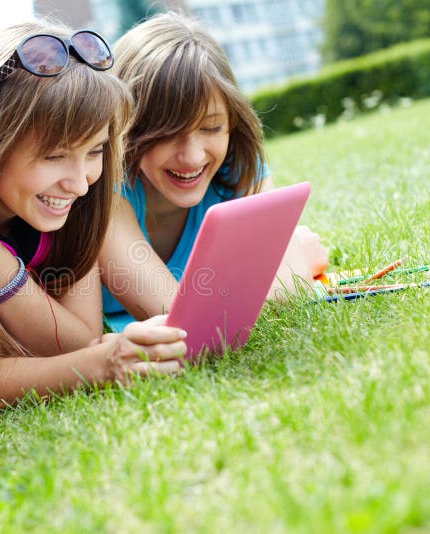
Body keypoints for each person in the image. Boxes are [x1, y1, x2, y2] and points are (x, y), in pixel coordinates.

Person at [0, 21, 187, 414]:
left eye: (95, 151)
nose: (80, 184)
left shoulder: (73, 209)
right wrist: (101, 364)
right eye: (55, 156)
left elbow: (80, 341)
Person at [99, 12, 329, 331]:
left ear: (232, 123)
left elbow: (292, 288)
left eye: (211, 127)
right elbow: (186, 326)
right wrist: (298, 260)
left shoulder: (237, 164)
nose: (192, 157)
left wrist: (289, 275)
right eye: (167, 133)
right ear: (127, 128)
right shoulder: (107, 190)